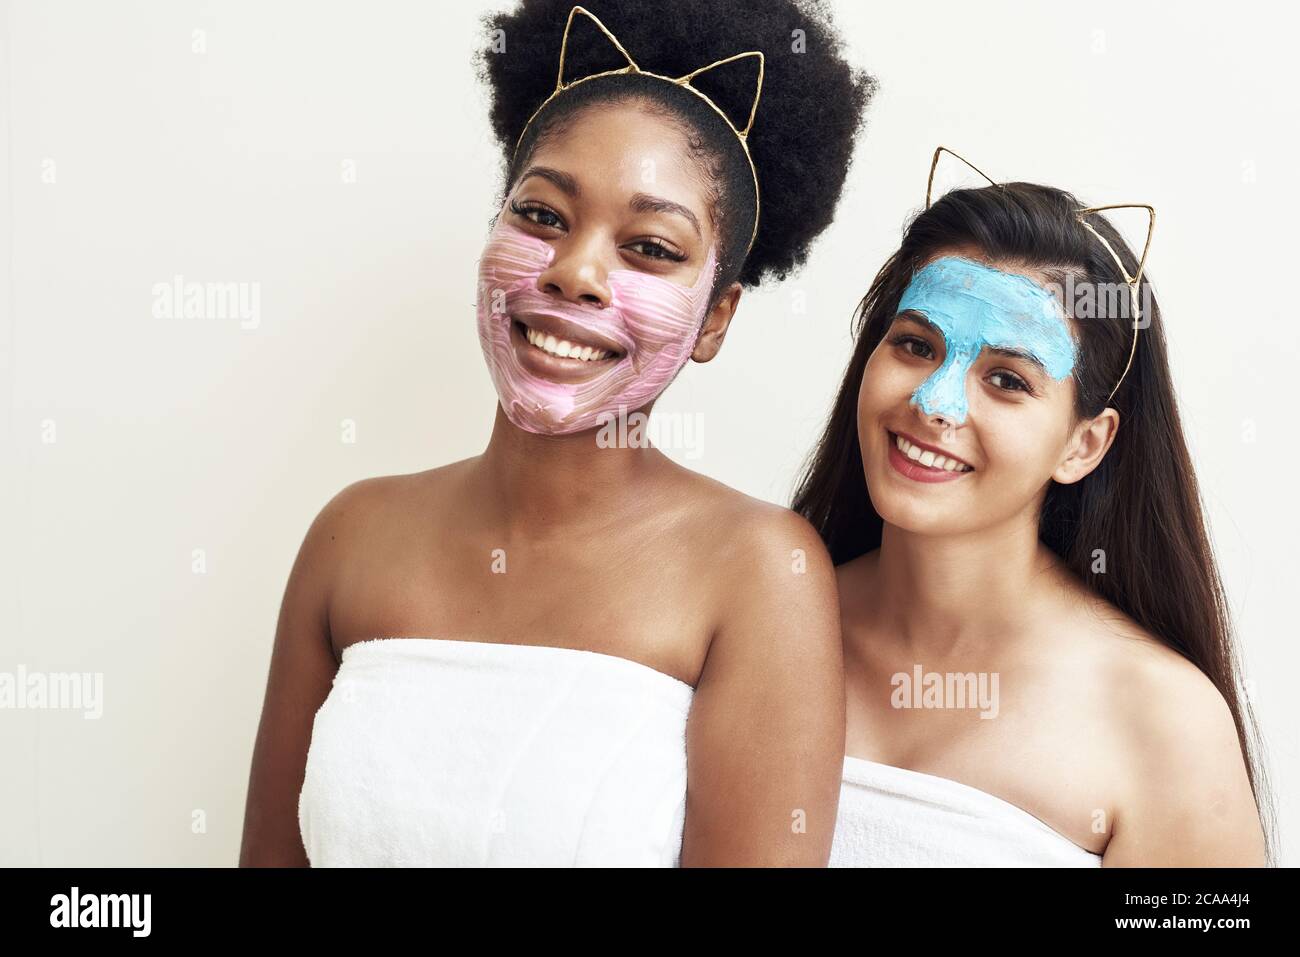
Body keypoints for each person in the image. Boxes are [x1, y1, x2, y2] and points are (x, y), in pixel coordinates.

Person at [240, 0, 875, 866]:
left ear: (716, 319)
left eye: (651, 247)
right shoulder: (351, 536)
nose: (575, 272)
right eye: (541, 216)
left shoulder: (761, 572)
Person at [794, 166, 1273, 866]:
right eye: (916, 345)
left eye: (1008, 380)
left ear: (1084, 444)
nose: (936, 403)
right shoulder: (763, 617)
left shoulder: (1164, 720)